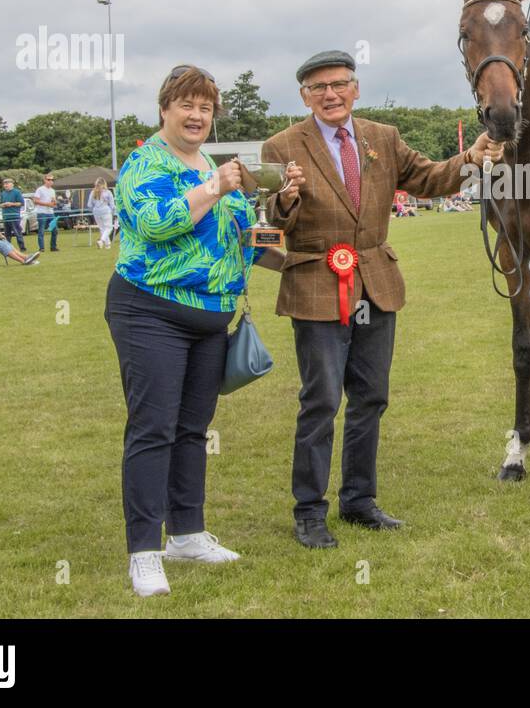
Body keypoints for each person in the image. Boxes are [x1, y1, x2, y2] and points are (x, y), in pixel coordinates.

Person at [261, 49, 504, 550]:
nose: (330, 94)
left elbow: (430, 180)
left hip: (376, 282)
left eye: (339, 84)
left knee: (370, 398)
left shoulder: (382, 138)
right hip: (315, 286)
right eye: (318, 87)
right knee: (322, 401)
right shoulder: (281, 144)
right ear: (304, 96)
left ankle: (358, 500)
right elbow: (275, 216)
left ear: (355, 89)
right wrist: (285, 199)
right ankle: (309, 511)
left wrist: (472, 157)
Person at [106, 64, 284, 597]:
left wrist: (290, 255)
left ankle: (186, 533)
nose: (197, 115)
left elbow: (231, 238)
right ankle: (144, 550)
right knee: (152, 428)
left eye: (206, 107)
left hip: (211, 318)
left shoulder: (209, 162)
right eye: (187, 104)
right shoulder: (145, 163)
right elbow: (156, 222)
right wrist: (215, 185)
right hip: (150, 312)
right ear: (164, 108)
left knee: (192, 430)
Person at [31, 173, 59, 252]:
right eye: (48, 179)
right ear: (45, 180)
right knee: (41, 231)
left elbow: (53, 202)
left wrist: (54, 203)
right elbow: (35, 201)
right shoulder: (40, 189)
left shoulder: (52, 190)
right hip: (41, 212)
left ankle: (53, 247)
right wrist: (47, 204)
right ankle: (41, 248)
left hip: (50, 213)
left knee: (55, 230)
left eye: (52, 180)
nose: (50, 181)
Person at [0, 178, 27, 250]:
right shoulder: (3, 193)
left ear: (12, 184)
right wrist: (4, 204)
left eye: (7, 183)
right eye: (4, 184)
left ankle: (22, 248)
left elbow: (21, 203)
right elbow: (0, 204)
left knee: (18, 233)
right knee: (7, 235)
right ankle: (7, 248)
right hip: (5, 217)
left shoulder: (17, 192)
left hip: (14, 216)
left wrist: (11, 204)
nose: (5, 185)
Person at [89, 178, 116, 249]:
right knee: (109, 228)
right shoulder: (108, 192)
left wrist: (94, 210)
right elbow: (112, 205)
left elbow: (89, 205)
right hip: (106, 211)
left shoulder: (92, 192)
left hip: (96, 211)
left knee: (102, 228)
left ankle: (107, 244)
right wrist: (114, 212)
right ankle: (102, 241)